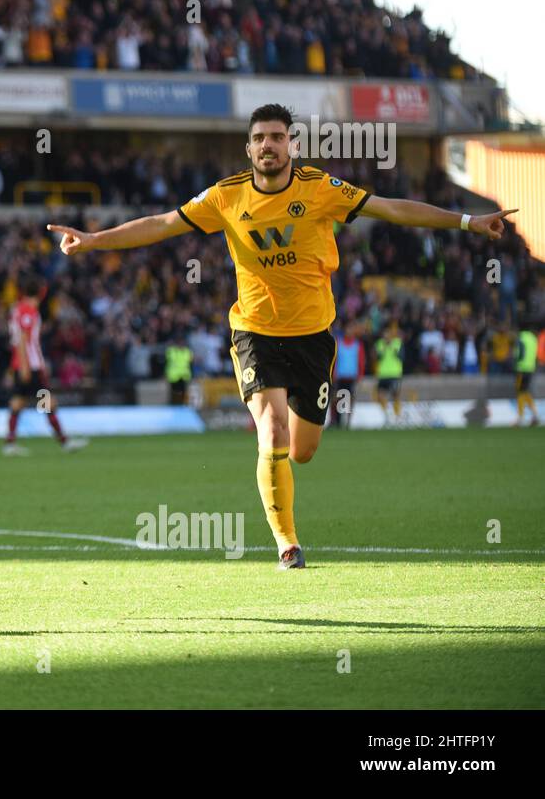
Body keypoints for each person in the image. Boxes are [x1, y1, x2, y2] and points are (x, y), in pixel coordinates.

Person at [47, 103, 516, 570]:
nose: (267, 145)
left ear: (291, 143)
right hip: (255, 331)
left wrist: (466, 222)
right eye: (259, 138)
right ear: (248, 147)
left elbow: (390, 208)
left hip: (313, 336)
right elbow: (163, 224)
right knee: (270, 432)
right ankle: (287, 543)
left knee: (302, 451)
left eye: (276, 136)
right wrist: (94, 240)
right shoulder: (225, 196)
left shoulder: (321, 188)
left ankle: (287, 478)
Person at [2, 276, 86, 455]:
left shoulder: (18, 309)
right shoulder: (28, 311)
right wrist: (26, 366)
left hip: (22, 364)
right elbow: (23, 340)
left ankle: (10, 443)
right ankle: (64, 442)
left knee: (18, 402)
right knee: (47, 402)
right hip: (29, 366)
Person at [332, 322, 366, 428]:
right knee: (336, 399)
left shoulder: (357, 345)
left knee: (350, 400)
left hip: (351, 377)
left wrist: (360, 375)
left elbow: (361, 361)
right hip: (340, 377)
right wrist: (333, 373)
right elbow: (335, 360)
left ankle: (348, 423)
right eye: (348, 329)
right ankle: (336, 421)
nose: (349, 332)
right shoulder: (339, 343)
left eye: (351, 329)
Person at [374, 321, 405, 425]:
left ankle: (398, 417)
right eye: (384, 334)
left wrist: (392, 346)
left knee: (395, 395)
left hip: (395, 374)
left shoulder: (398, 343)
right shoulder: (379, 344)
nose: (386, 336)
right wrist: (386, 347)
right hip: (383, 374)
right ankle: (387, 414)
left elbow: (402, 357)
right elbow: (379, 357)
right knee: (379, 396)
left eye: (388, 333)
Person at [515, 326, 539, 427]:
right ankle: (535, 415)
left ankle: (521, 418)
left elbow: (520, 354)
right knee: (525, 391)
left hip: (522, 368)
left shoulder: (522, 338)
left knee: (520, 392)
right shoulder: (533, 339)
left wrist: (516, 362)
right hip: (531, 368)